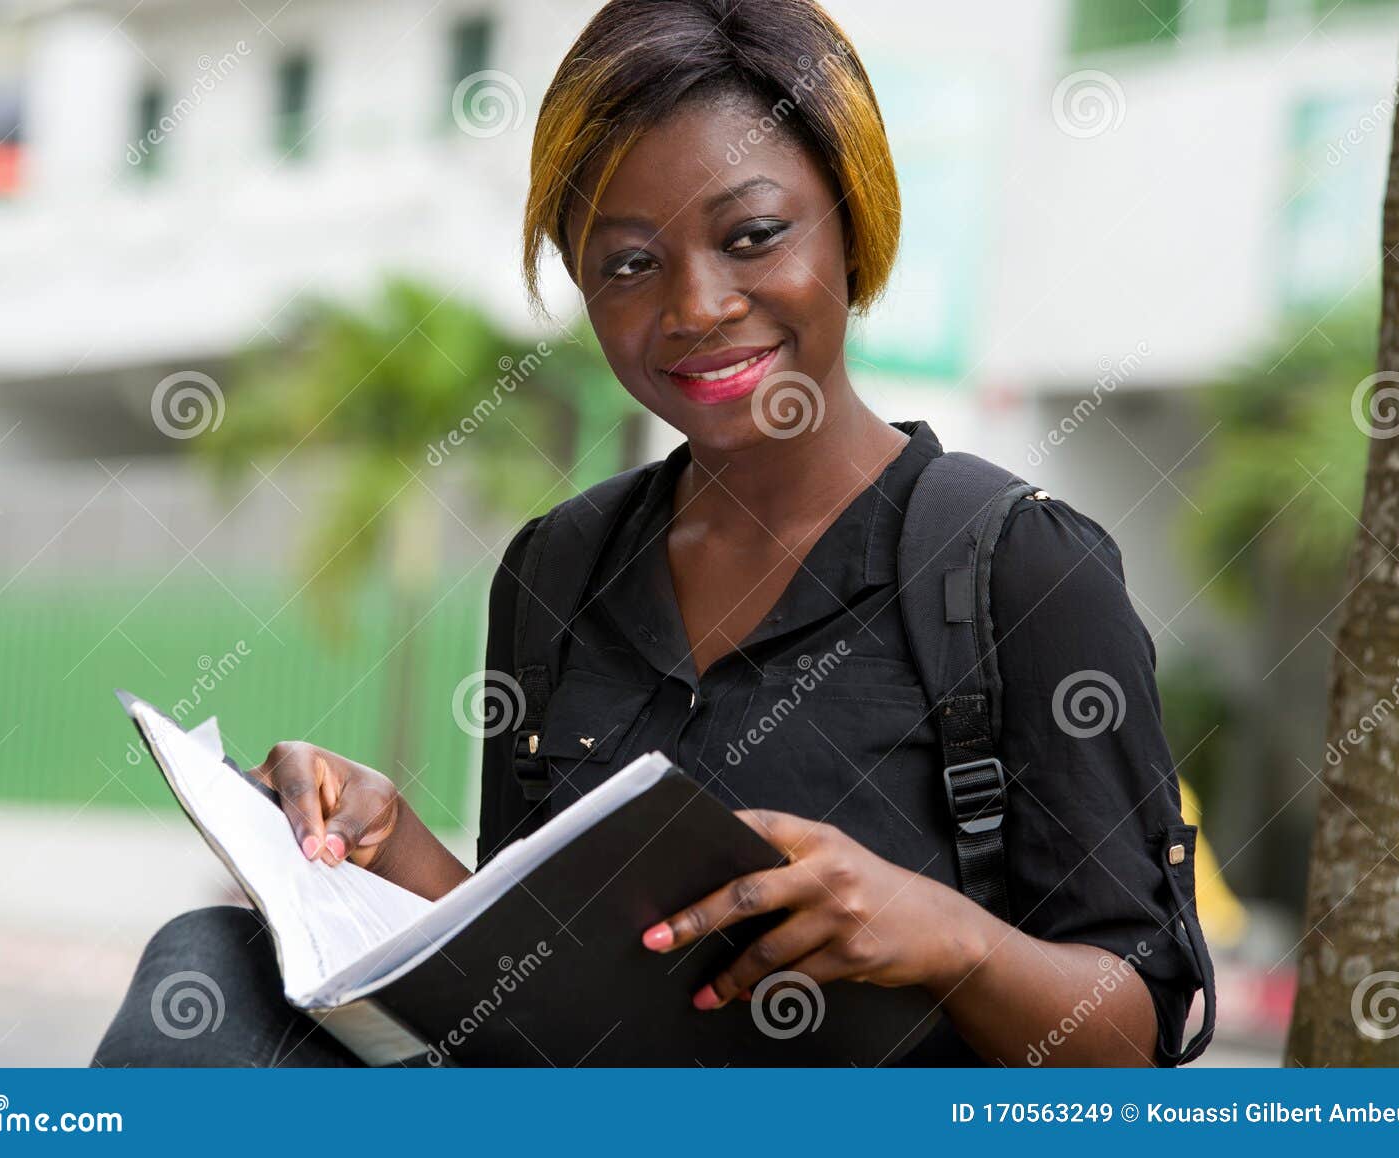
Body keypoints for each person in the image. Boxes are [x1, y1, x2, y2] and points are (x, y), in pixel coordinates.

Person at [94, 0, 1209, 1068]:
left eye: (753, 235)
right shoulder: (555, 574)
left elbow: (1134, 1040)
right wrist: (386, 854)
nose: (695, 306)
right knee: (206, 976)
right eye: (629, 262)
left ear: (852, 216)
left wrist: (945, 936)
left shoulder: (1018, 570)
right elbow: (531, 980)